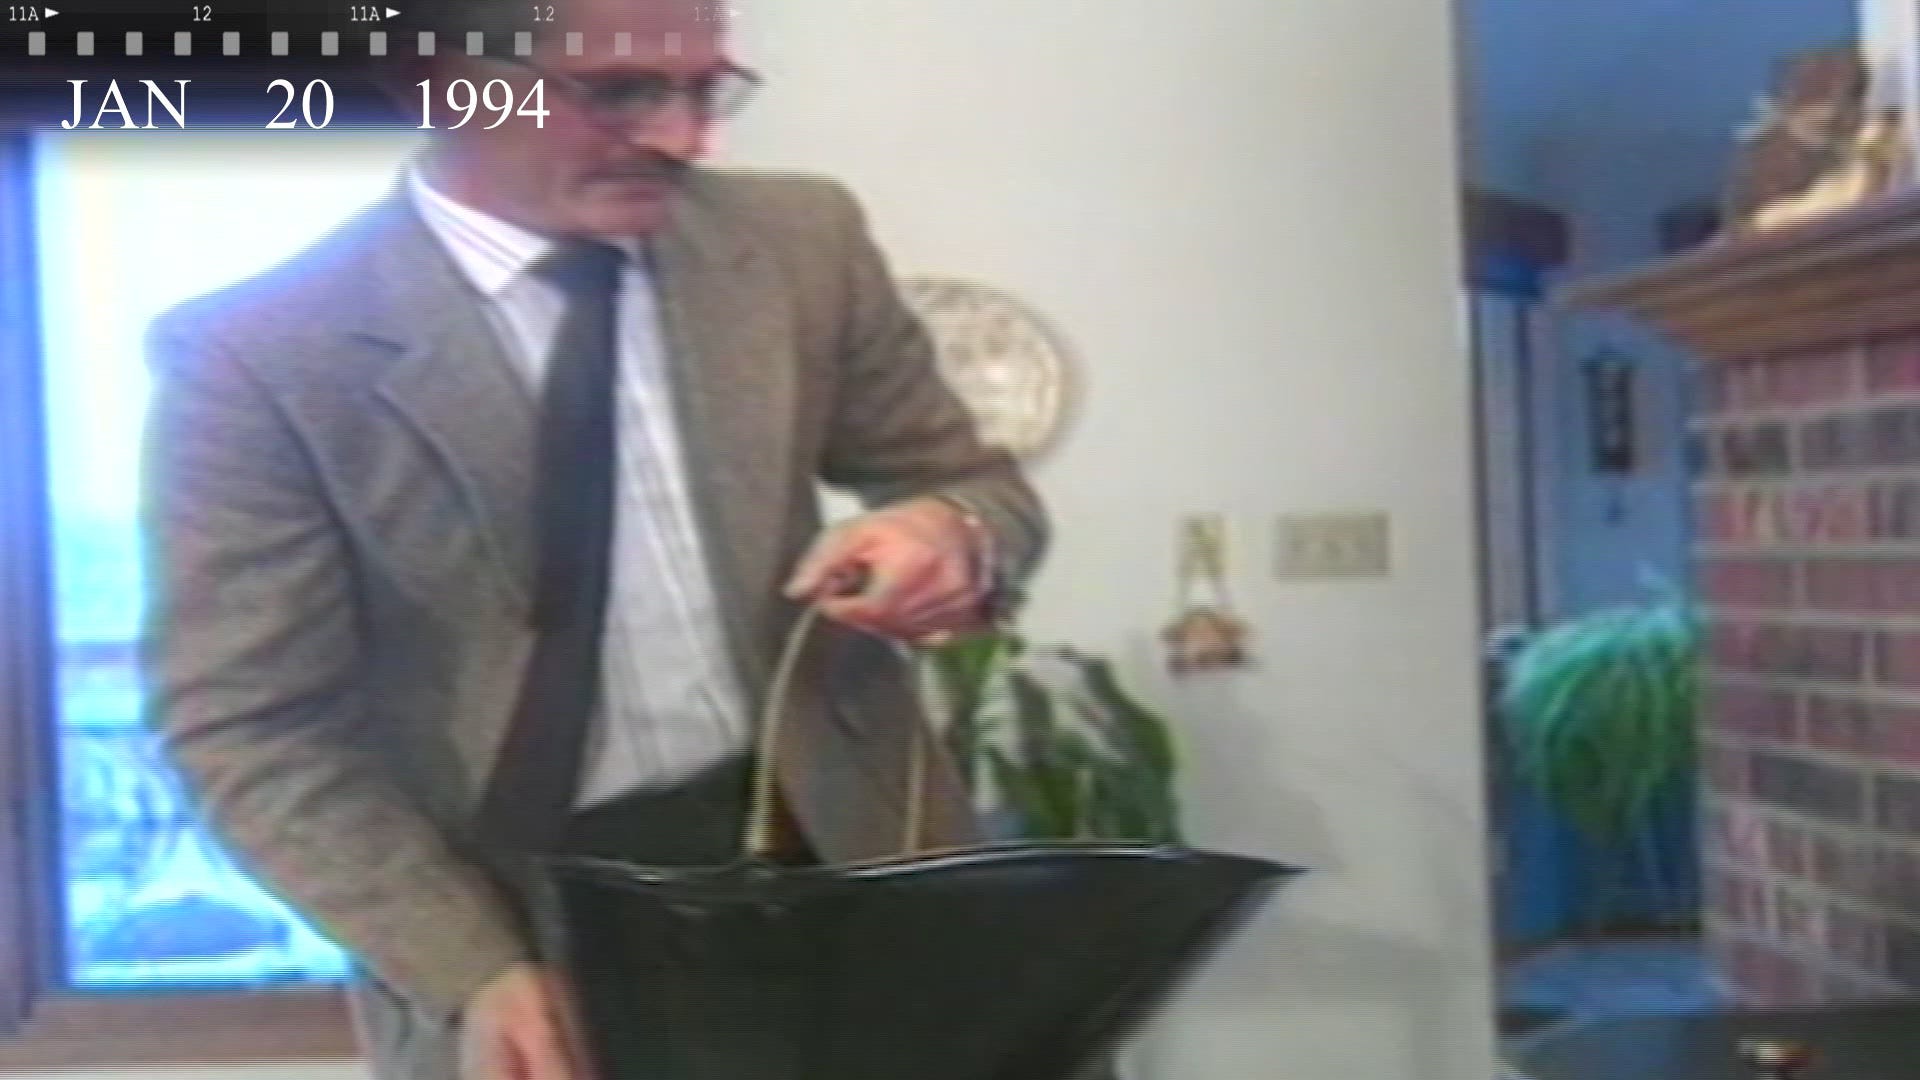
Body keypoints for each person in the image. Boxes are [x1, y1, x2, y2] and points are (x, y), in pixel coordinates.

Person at [138, 0, 1048, 1077]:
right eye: (618, 90)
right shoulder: (261, 358)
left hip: (838, 863)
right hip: (513, 927)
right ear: (438, 81)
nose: (683, 138)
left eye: (706, 88)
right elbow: (248, 726)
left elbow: (971, 484)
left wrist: (952, 530)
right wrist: (467, 966)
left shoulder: (802, 243)